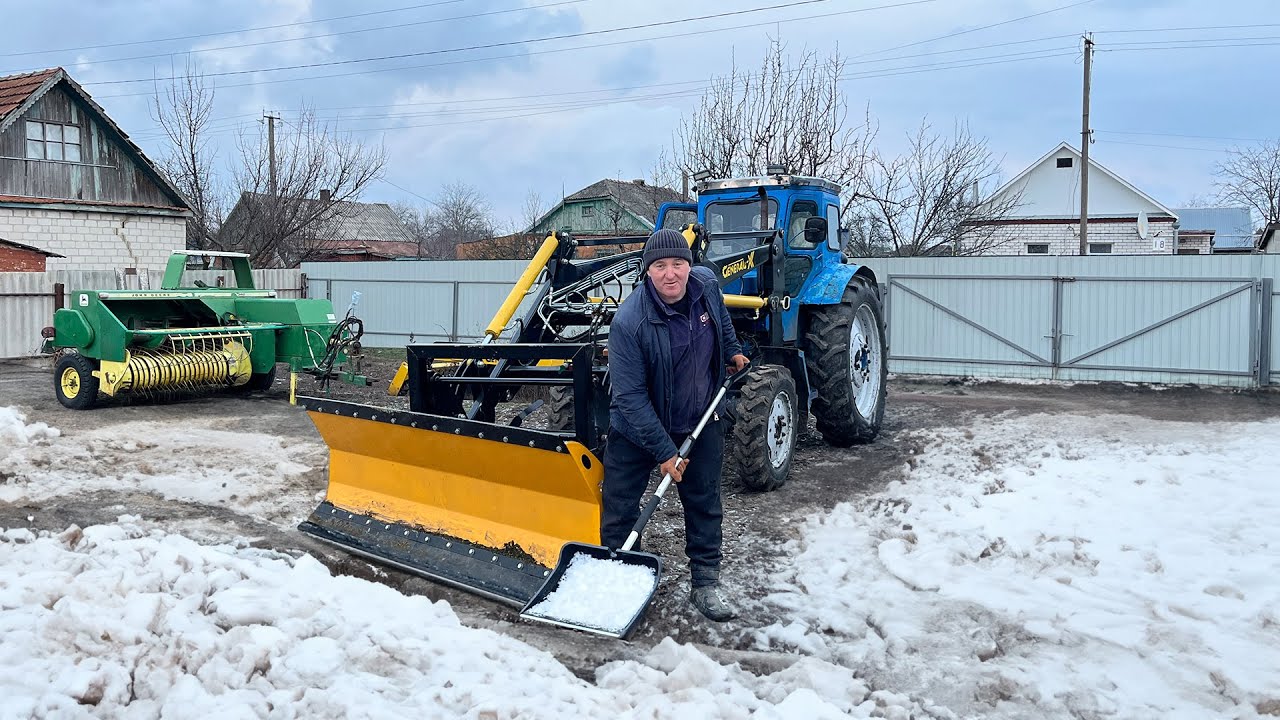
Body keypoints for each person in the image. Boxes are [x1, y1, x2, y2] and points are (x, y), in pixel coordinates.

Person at [602, 228, 750, 622]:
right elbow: (630, 397)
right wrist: (665, 452)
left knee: (704, 503)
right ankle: (621, 583)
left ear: (690, 265)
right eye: (660, 266)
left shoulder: (706, 285)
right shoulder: (629, 322)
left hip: (700, 419)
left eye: (679, 263)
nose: (671, 274)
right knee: (620, 509)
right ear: (647, 271)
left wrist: (733, 351)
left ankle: (705, 583)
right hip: (637, 430)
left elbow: (721, 320)